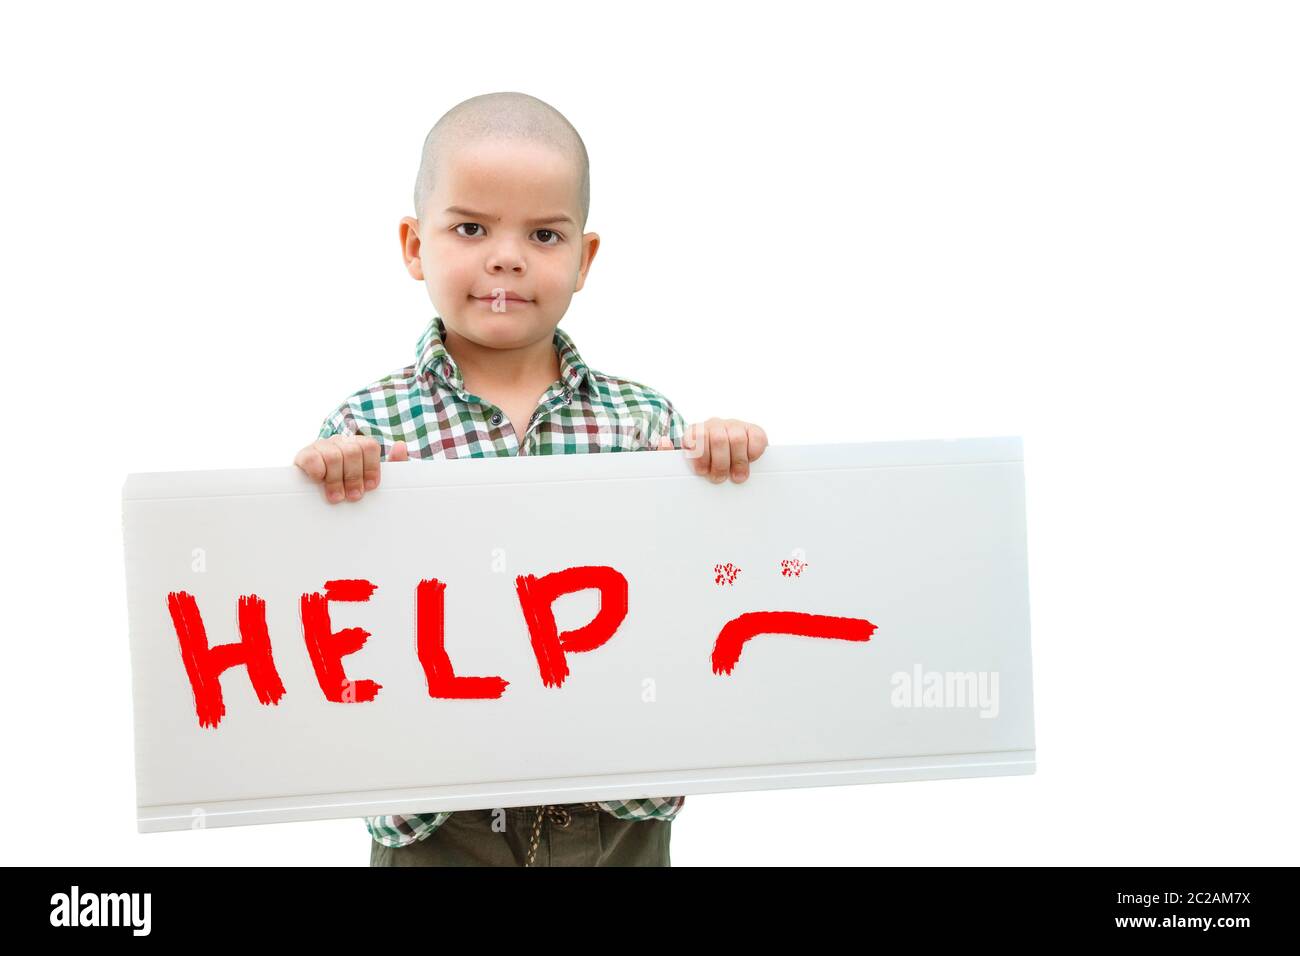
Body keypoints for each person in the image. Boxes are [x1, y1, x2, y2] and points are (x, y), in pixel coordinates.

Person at [294, 91, 767, 866]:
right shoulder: (367, 427)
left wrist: (720, 464)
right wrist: (322, 487)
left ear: (584, 258)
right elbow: (314, 599)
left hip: (616, 813)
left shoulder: (643, 422)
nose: (506, 257)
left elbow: (696, 580)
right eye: (471, 228)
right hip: (441, 820)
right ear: (415, 245)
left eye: (544, 234)